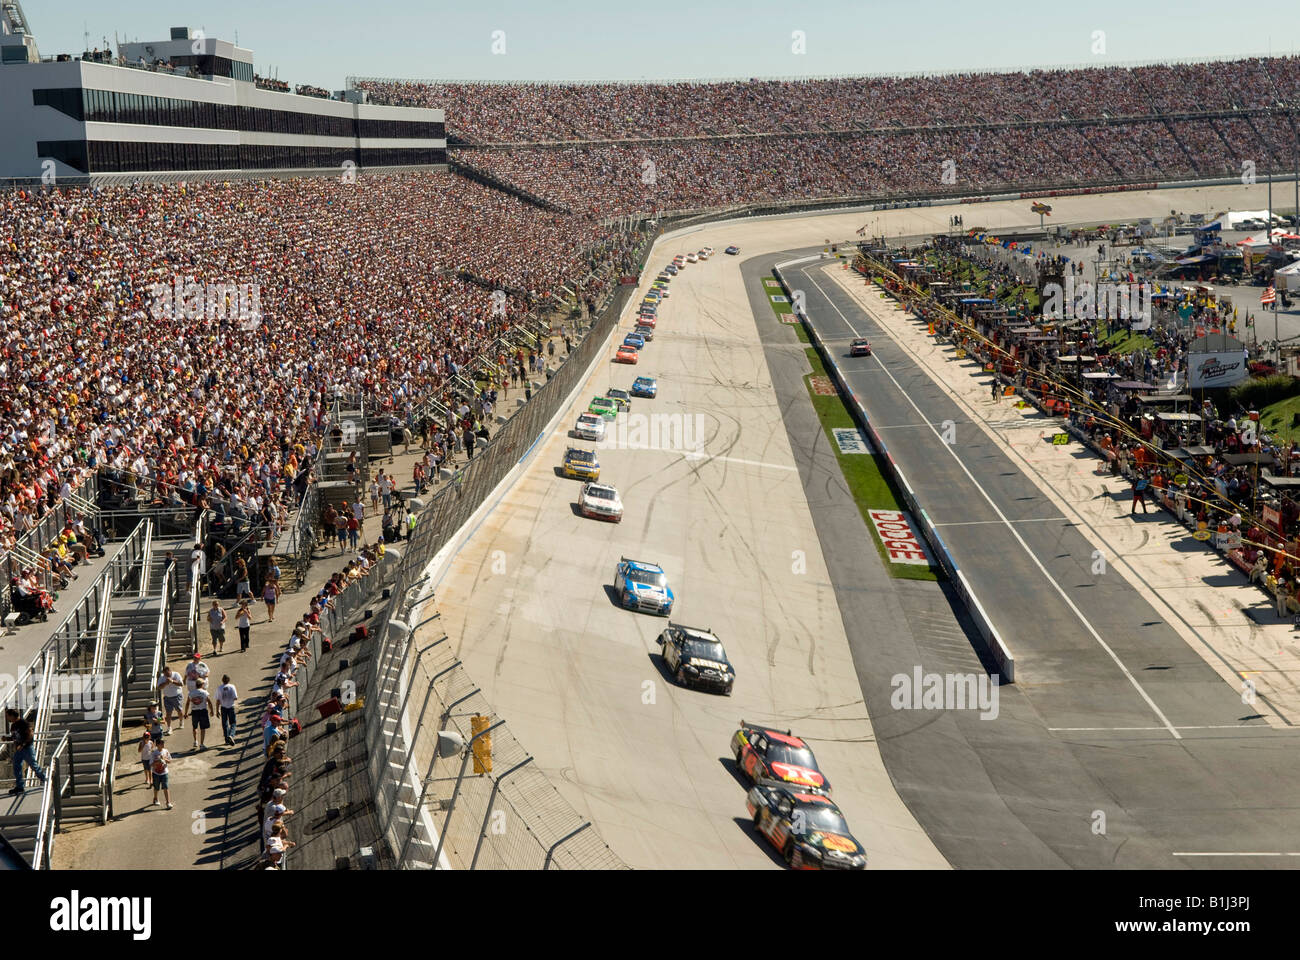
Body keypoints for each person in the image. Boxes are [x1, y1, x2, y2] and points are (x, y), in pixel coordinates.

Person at [6, 708, 46, 795]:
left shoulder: (23, 723)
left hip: (27, 748)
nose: (7, 718)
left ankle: (46, 780)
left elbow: (30, 734)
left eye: (8, 716)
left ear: (12, 715)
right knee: (16, 766)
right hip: (19, 750)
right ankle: (20, 786)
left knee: (34, 766)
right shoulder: (13, 725)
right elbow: (15, 737)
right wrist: (7, 738)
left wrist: (23, 744)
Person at [184, 678, 215, 751]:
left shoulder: (191, 693)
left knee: (195, 727)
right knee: (202, 728)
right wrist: (212, 710)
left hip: (194, 711)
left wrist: (185, 713)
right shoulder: (204, 692)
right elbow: (209, 702)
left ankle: (195, 741)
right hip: (203, 711)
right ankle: (201, 744)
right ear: (202, 685)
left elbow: (188, 703)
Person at [157, 664, 184, 732]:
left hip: (177, 696)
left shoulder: (176, 674)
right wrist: (165, 683)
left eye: (168, 673)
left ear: (170, 671)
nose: (167, 675)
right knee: (168, 713)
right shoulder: (162, 678)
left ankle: (181, 721)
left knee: (179, 711)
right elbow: (159, 687)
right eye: (165, 674)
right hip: (167, 697)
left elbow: (181, 684)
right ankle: (169, 728)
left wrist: (172, 681)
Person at [149, 737, 174, 809]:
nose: (163, 744)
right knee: (156, 788)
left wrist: (164, 759)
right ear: (157, 745)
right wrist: (158, 761)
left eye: (163, 743)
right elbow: (151, 764)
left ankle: (168, 802)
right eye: (161, 743)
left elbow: (170, 761)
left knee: (166, 787)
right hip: (156, 773)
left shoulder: (166, 751)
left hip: (164, 773)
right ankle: (156, 798)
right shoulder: (154, 753)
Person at [217, 675, 239, 746]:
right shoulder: (232, 687)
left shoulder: (219, 688)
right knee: (233, 722)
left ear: (222, 680)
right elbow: (235, 698)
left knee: (225, 723)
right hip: (231, 707)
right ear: (229, 680)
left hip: (223, 707)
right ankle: (231, 735)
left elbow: (218, 700)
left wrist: (217, 710)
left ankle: (227, 739)